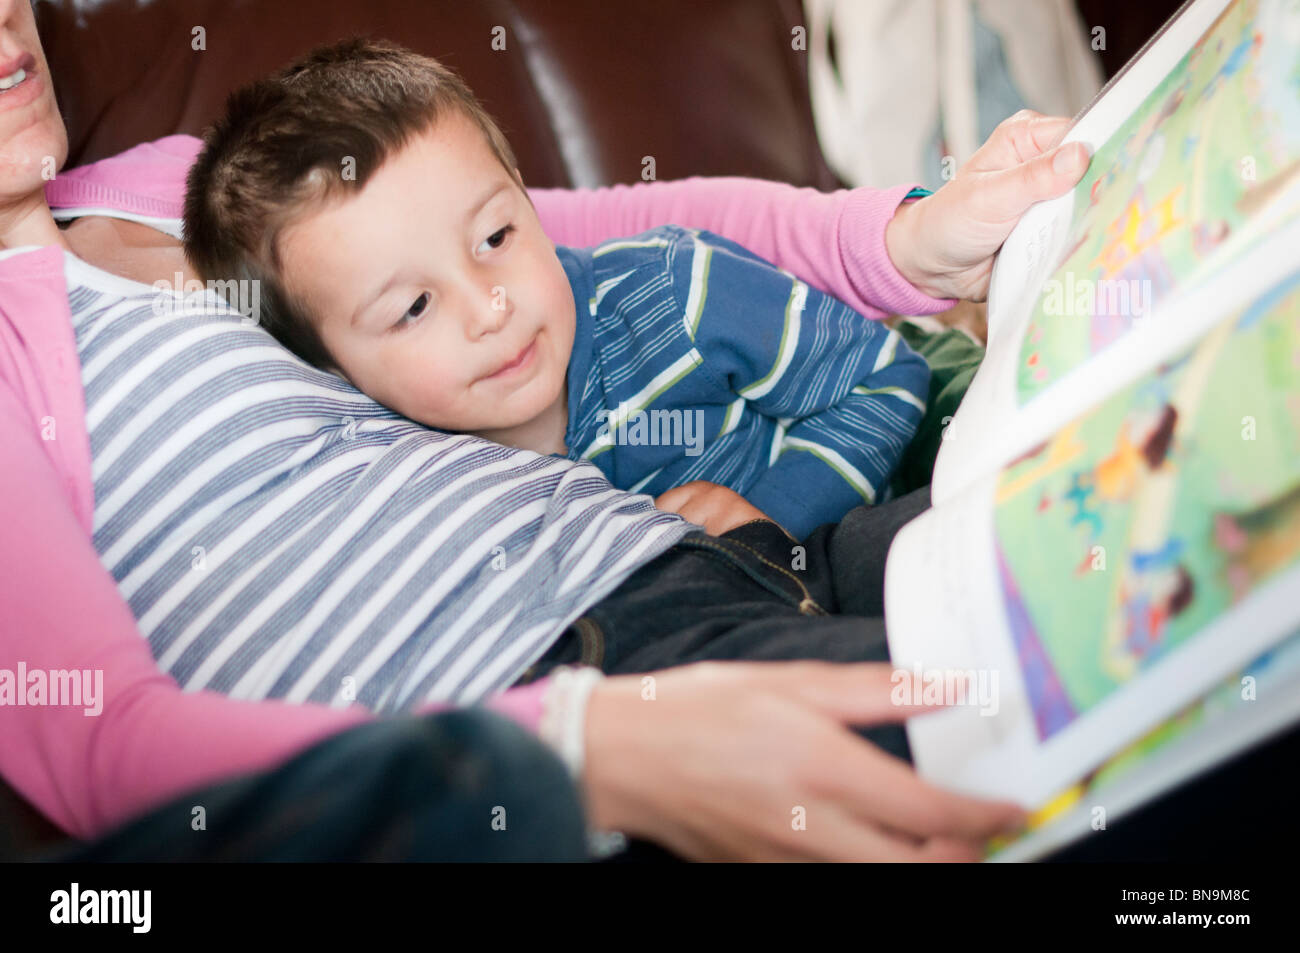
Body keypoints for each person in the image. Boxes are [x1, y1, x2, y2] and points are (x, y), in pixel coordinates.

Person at [0, 0, 1088, 859]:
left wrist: (900, 243)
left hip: (704, 549)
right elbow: (107, 746)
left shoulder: (177, 185)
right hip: (575, 682)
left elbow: (584, 230)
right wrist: (572, 752)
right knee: (1067, 755)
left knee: (1123, 546)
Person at [184, 39, 932, 539]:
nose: (490, 307)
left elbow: (886, 378)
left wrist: (773, 510)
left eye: (496, 238)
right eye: (414, 308)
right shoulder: (415, 470)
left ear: (528, 197)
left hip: (855, 531)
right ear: (337, 373)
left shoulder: (677, 293)